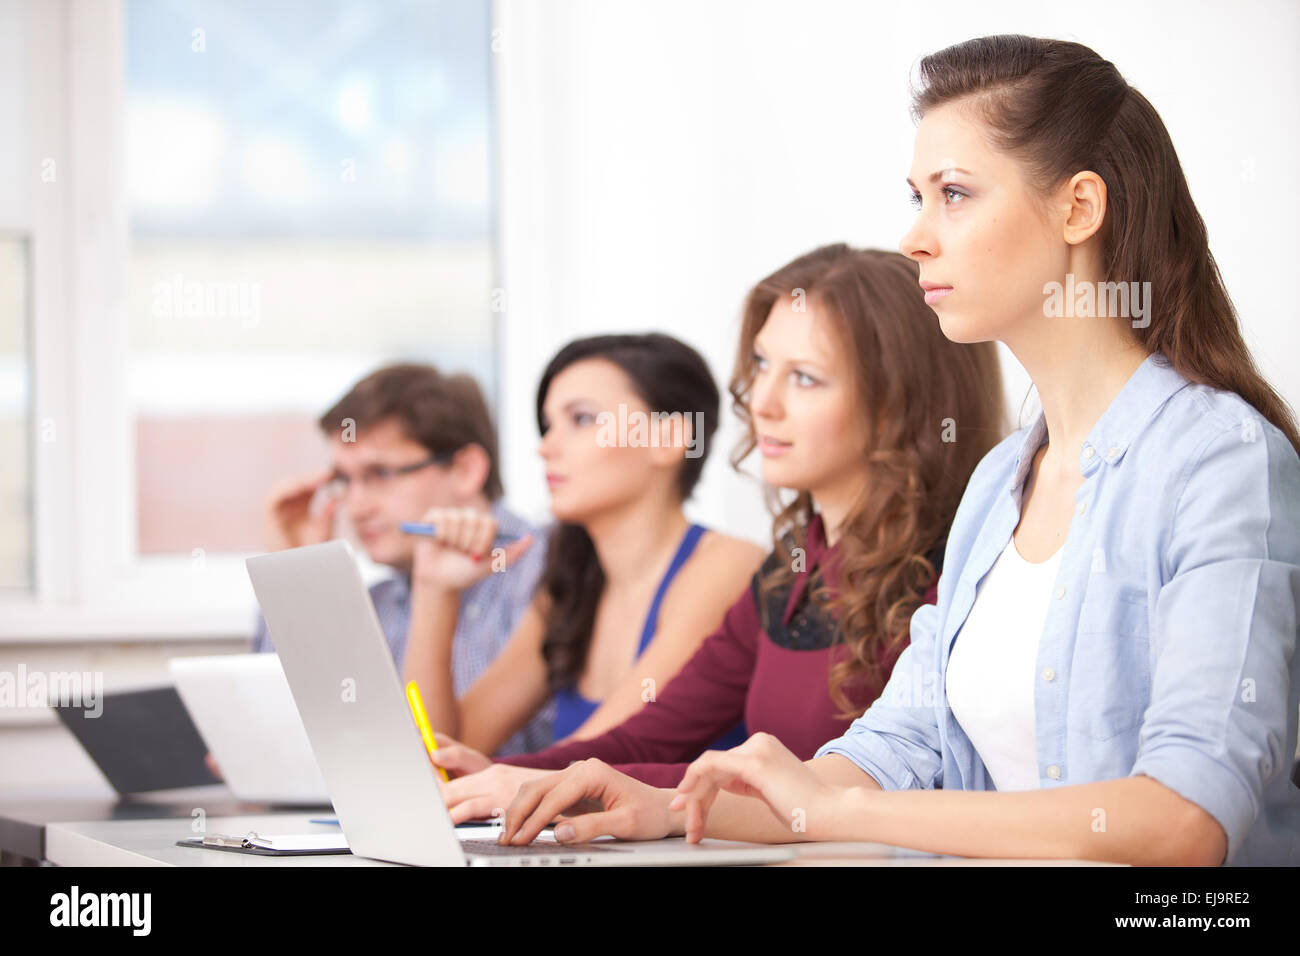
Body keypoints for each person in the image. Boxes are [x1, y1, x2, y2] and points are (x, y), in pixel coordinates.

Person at [494, 34, 1300, 866]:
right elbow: (890, 755)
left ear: (1078, 209)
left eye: (953, 194)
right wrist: (665, 808)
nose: (916, 236)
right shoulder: (999, 486)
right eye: (917, 196)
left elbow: (1183, 821)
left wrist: (837, 816)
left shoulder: (1221, 460)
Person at [424, 245, 1005, 824]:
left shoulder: (953, 574)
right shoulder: (791, 569)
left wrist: (549, 783)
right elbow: (654, 735)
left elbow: (822, 788)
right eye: (760, 366)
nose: (762, 403)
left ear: (895, 406)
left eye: (804, 378)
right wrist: (518, 775)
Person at [400, 333, 767, 758]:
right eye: (548, 425)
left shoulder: (726, 565)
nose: (545, 448)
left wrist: (493, 778)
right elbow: (436, 756)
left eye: (581, 419)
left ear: (668, 439)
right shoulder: (571, 584)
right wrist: (435, 589)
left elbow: (603, 758)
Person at [250, 362, 552, 756]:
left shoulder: (549, 567)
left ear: (464, 470)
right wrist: (298, 572)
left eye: (379, 474)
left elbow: (437, 759)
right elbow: (291, 744)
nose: (355, 507)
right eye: (344, 480)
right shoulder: (378, 605)